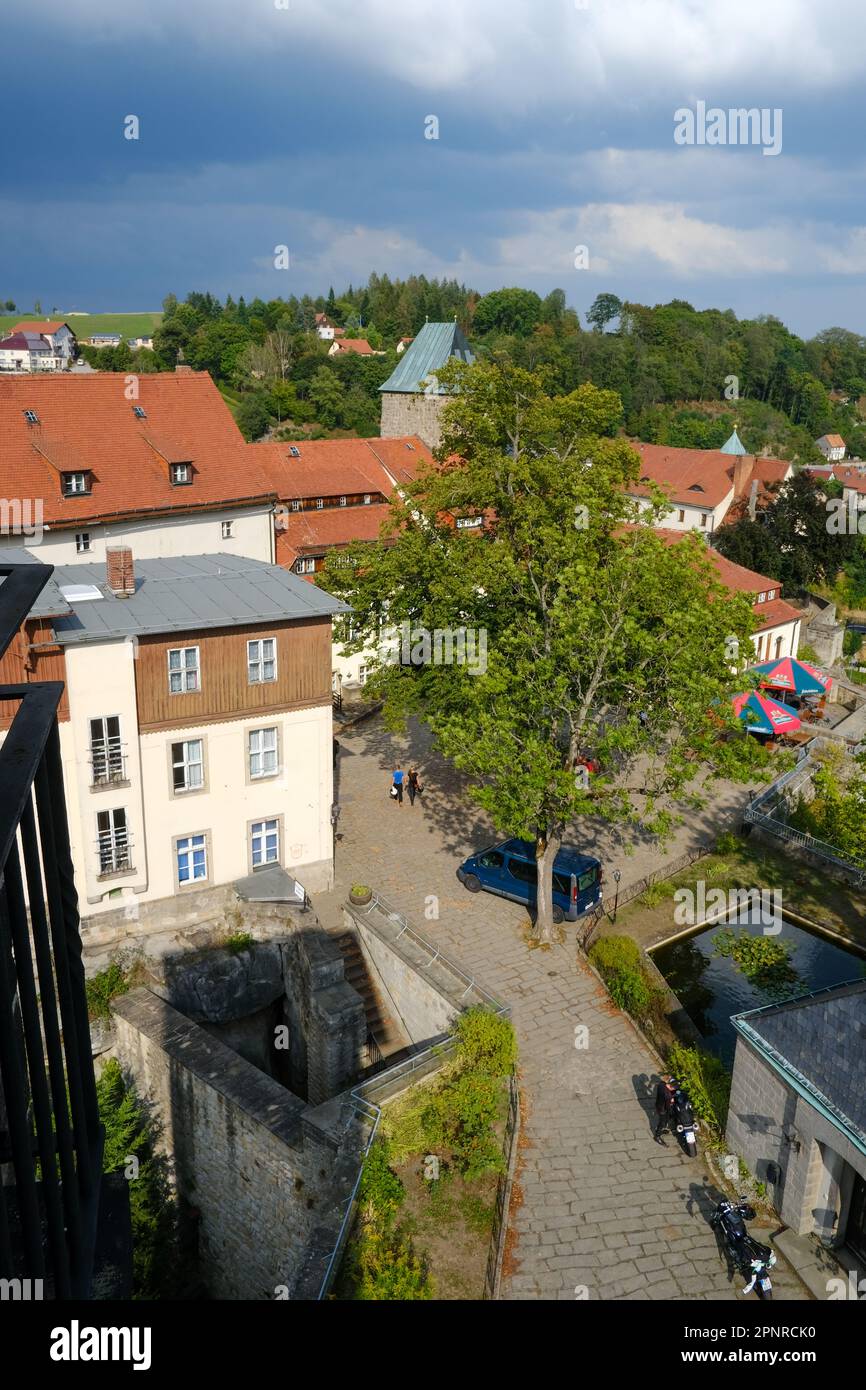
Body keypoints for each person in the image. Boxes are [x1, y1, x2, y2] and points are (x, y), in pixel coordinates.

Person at [653, 1073, 677, 1143]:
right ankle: (657, 1136)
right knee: (662, 1122)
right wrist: (672, 1101)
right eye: (673, 1088)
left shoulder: (661, 1084)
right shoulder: (667, 1095)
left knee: (667, 1118)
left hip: (659, 1104)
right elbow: (668, 1106)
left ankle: (663, 1128)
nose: (674, 1090)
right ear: (671, 1087)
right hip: (662, 1109)